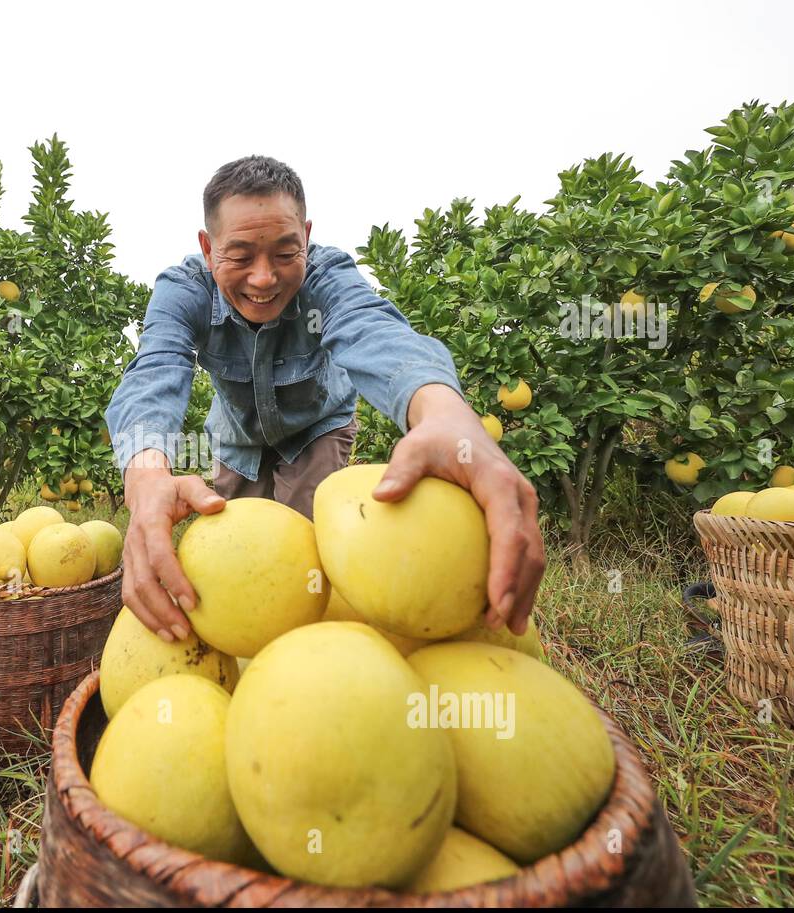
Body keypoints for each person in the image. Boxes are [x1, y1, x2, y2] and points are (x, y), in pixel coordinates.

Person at [105, 155, 545, 648]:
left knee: (305, 557)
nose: (264, 278)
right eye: (241, 255)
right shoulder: (184, 289)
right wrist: (145, 475)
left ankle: (311, 654)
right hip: (237, 438)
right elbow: (156, 368)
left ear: (307, 238)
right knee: (237, 556)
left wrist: (445, 416)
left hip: (317, 427)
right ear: (208, 249)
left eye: (285, 253)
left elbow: (372, 329)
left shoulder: (326, 276)